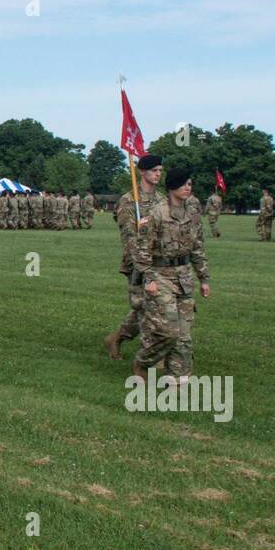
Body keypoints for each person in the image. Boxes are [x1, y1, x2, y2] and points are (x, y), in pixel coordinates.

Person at [130, 166, 210, 383]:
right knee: (168, 331)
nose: (187, 188)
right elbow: (142, 249)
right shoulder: (156, 213)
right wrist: (149, 278)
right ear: (173, 186)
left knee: (184, 335)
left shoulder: (193, 216)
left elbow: (198, 249)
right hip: (160, 275)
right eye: (184, 183)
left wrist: (204, 278)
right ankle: (143, 360)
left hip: (184, 277)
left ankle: (177, 379)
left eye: (190, 184)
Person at [103, 153, 166, 361]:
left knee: (150, 307)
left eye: (160, 171)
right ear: (141, 172)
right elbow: (129, 238)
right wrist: (143, 266)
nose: (158, 174)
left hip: (161, 263)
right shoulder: (129, 201)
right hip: (137, 263)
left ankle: (116, 337)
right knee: (145, 307)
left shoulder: (162, 200)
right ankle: (153, 358)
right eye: (153, 171)